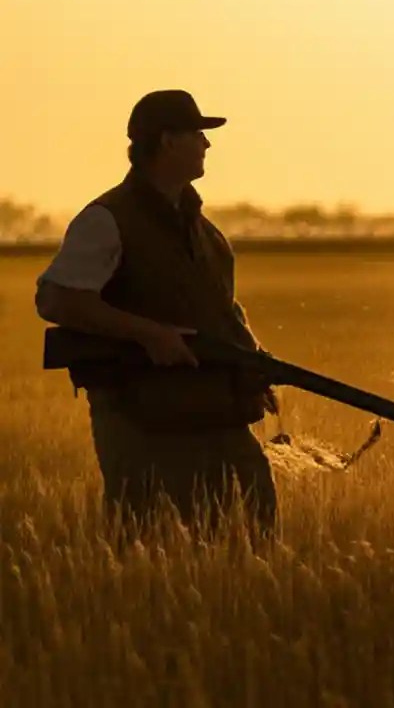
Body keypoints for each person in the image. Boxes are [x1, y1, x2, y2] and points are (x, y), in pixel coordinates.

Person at [34, 89, 279, 540]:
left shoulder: (207, 233)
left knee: (254, 528)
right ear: (167, 142)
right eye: (198, 134)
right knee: (149, 541)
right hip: (140, 418)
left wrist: (252, 362)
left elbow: (224, 310)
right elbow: (56, 299)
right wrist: (149, 334)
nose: (207, 145)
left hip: (215, 411)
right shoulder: (106, 219)